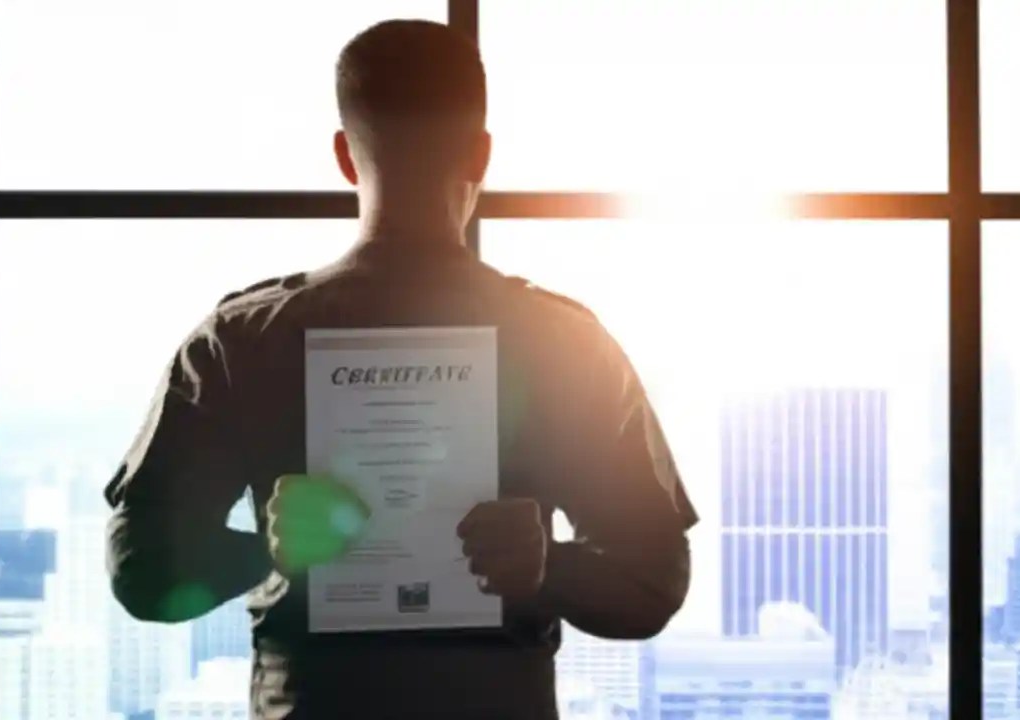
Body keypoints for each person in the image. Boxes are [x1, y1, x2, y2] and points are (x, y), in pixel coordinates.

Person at [103, 19, 697, 720]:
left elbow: (140, 570)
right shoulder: (567, 344)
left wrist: (261, 554)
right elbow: (655, 582)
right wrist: (548, 567)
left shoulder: (241, 340)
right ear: (481, 155)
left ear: (343, 157)